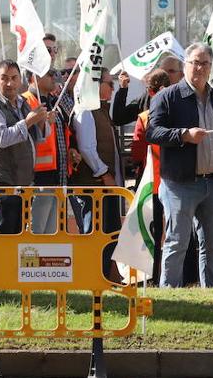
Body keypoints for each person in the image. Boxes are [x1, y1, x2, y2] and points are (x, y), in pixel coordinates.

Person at [146, 43, 213, 288]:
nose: (199, 68)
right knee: (177, 243)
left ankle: (212, 295)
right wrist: (183, 135)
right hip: (179, 183)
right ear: (185, 64)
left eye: (204, 63)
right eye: (194, 62)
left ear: (210, 67)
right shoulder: (168, 96)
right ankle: (169, 296)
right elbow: (152, 132)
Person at [0, 60, 49, 235]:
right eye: (4, 78)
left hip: (22, 183)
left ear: (20, 81)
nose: (10, 83)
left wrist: (41, 122)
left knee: (17, 240)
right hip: (2, 184)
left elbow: (37, 137)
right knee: (3, 239)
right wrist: (29, 121)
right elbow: (2, 138)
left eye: (14, 78)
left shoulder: (22, 102)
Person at [70, 69, 124, 279]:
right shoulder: (85, 110)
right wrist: (104, 174)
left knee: (109, 233)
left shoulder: (100, 110)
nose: (113, 88)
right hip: (93, 187)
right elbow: (87, 148)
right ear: (96, 84)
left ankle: (104, 277)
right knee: (95, 235)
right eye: (110, 83)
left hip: (105, 186)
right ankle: (92, 278)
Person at [130, 68, 172, 283]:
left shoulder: (145, 117)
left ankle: (151, 278)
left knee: (149, 232)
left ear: (150, 90)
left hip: (151, 182)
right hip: (176, 181)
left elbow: (136, 151)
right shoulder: (177, 112)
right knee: (177, 232)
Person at [25, 68, 67, 234]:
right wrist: (44, 124)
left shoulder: (51, 100)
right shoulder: (26, 100)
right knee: (37, 231)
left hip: (55, 175)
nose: (53, 77)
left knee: (50, 232)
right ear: (34, 76)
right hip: (38, 176)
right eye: (49, 74)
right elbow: (25, 135)